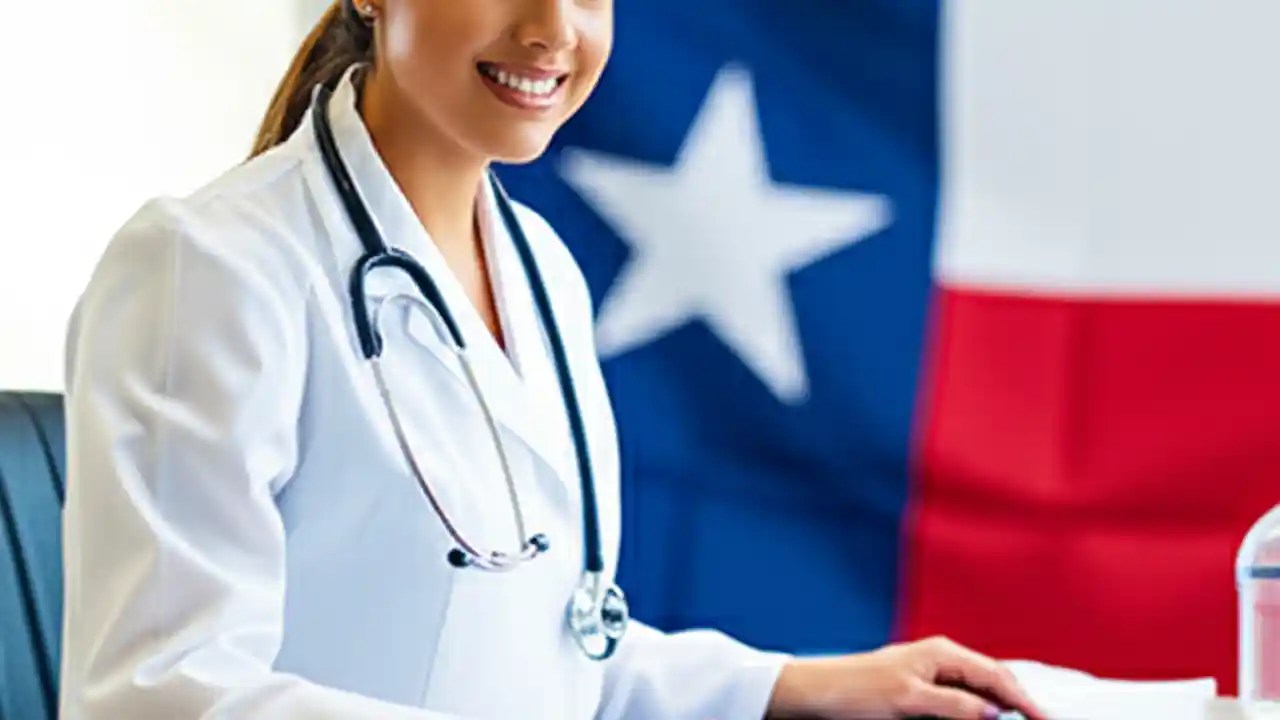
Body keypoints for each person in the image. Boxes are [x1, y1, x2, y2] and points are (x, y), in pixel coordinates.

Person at [56, 1, 1047, 718]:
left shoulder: (541, 269)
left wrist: (805, 685)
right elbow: (162, 693)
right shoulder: (213, 265)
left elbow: (549, 653)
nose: (550, 30)